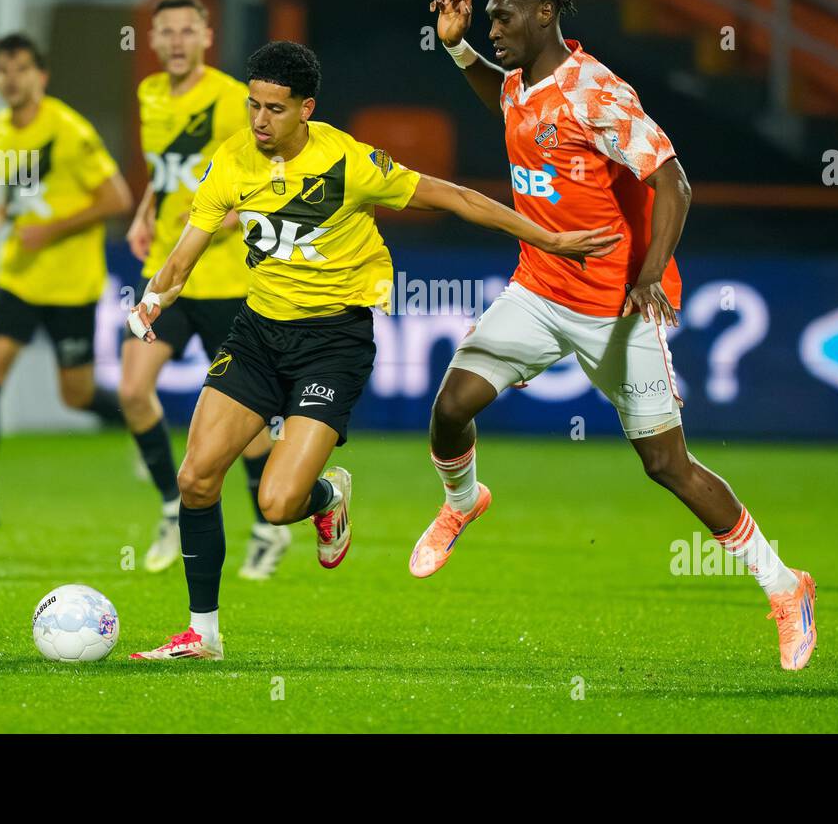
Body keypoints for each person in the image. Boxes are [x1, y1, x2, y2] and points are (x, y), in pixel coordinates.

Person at [128, 40, 620, 660]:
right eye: (253, 105)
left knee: (277, 504)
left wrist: (550, 239)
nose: (259, 120)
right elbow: (184, 253)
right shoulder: (231, 161)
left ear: (306, 108)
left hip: (332, 343)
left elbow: (456, 197)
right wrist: (152, 301)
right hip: (256, 334)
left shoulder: (349, 162)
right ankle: (204, 634)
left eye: (274, 109)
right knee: (196, 479)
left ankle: (326, 496)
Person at [410, 0, 817, 671]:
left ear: (545, 16)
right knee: (450, 407)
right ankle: (463, 502)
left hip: (613, 310)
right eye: (490, 16)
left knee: (668, 466)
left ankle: (786, 587)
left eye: (505, 16)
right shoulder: (521, 85)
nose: (493, 25)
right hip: (537, 292)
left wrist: (652, 272)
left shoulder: (596, 92)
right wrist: (456, 49)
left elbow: (673, 182)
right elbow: (503, 101)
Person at [124, 0, 284, 578]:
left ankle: (268, 528)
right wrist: (146, 211)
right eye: (166, 31)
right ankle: (172, 505)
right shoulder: (149, 95)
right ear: (154, 39)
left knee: (242, 428)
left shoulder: (229, 101)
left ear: (206, 36)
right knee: (133, 391)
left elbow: (268, 180)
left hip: (225, 281)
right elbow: (166, 168)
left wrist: (216, 222)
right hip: (166, 277)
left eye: (187, 30)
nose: (176, 41)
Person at [0, 33, 132, 530]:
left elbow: (118, 199)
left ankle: (137, 420)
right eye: (3, 70)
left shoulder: (70, 130)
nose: (12, 78)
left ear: (41, 75)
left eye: (23, 68)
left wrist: (52, 230)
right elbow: (23, 190)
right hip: (19, 279)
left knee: (76, 396)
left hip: (71, 284)